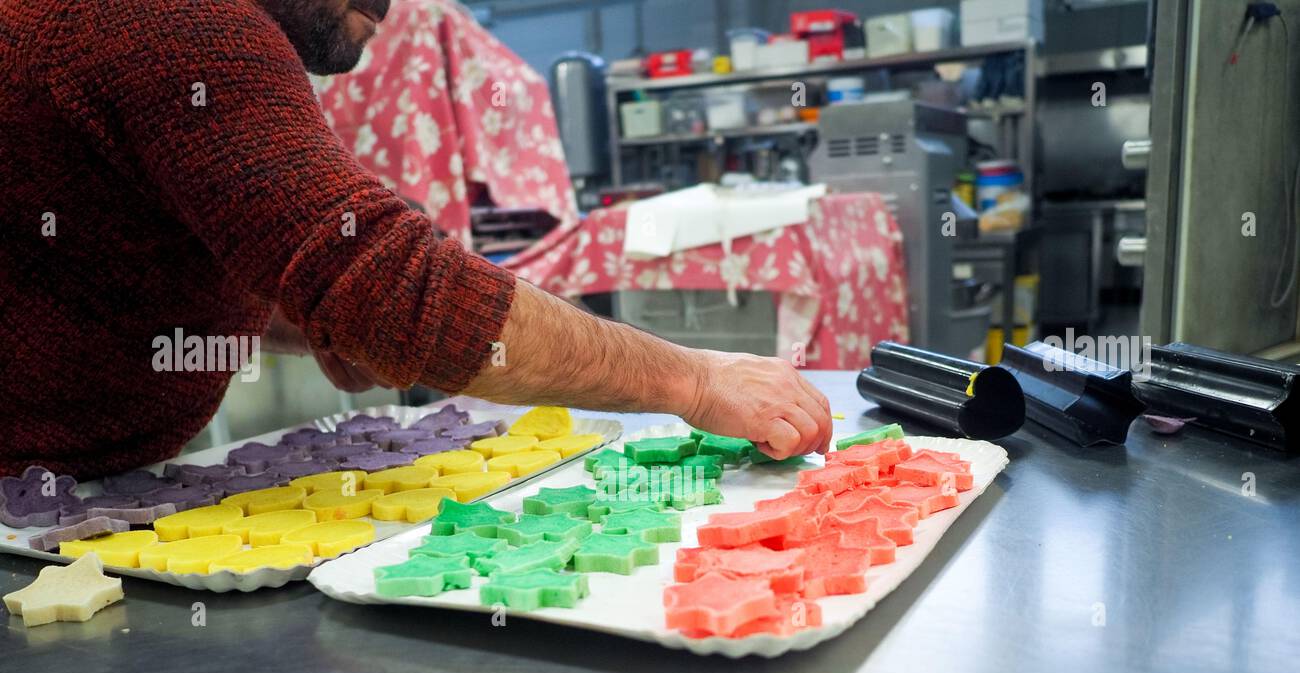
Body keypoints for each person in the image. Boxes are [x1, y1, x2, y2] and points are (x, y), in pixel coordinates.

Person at [0, 0, 832, 479]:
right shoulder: (186, 25)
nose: (388, 2)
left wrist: (304, 311)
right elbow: (397, 285)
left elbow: (121, 265)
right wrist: (692, 377)